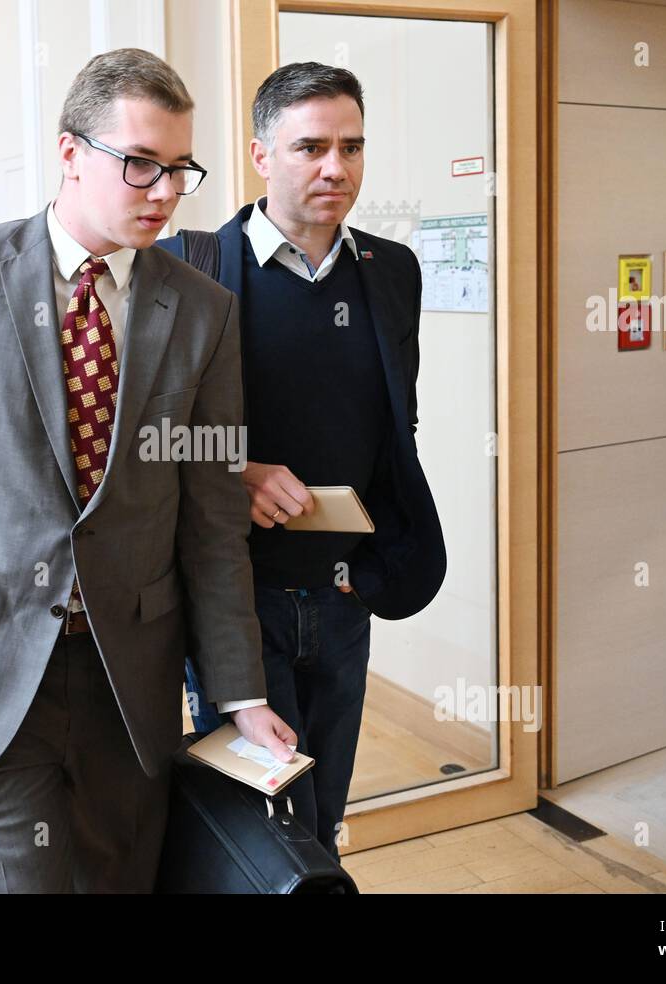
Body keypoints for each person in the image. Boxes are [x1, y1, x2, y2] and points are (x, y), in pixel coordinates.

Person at [0, 47, 296, 893]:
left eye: (179, 169)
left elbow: (211, 519)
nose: (162, 190)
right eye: (140, 164)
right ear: (71, 152)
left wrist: (239, 692)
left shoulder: (202, 312)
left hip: (131, 681)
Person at [157, 62, 447, 858]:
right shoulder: (191, 269)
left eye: (351, 147)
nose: (335, 168)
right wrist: (237, 469)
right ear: (260, 155)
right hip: (235, 604)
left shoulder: (392, 271)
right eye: (310, 146)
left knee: (321, 822)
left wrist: (368, 570)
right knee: (262, 833)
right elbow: (147, 443)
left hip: (345, 596)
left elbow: (397, 425)